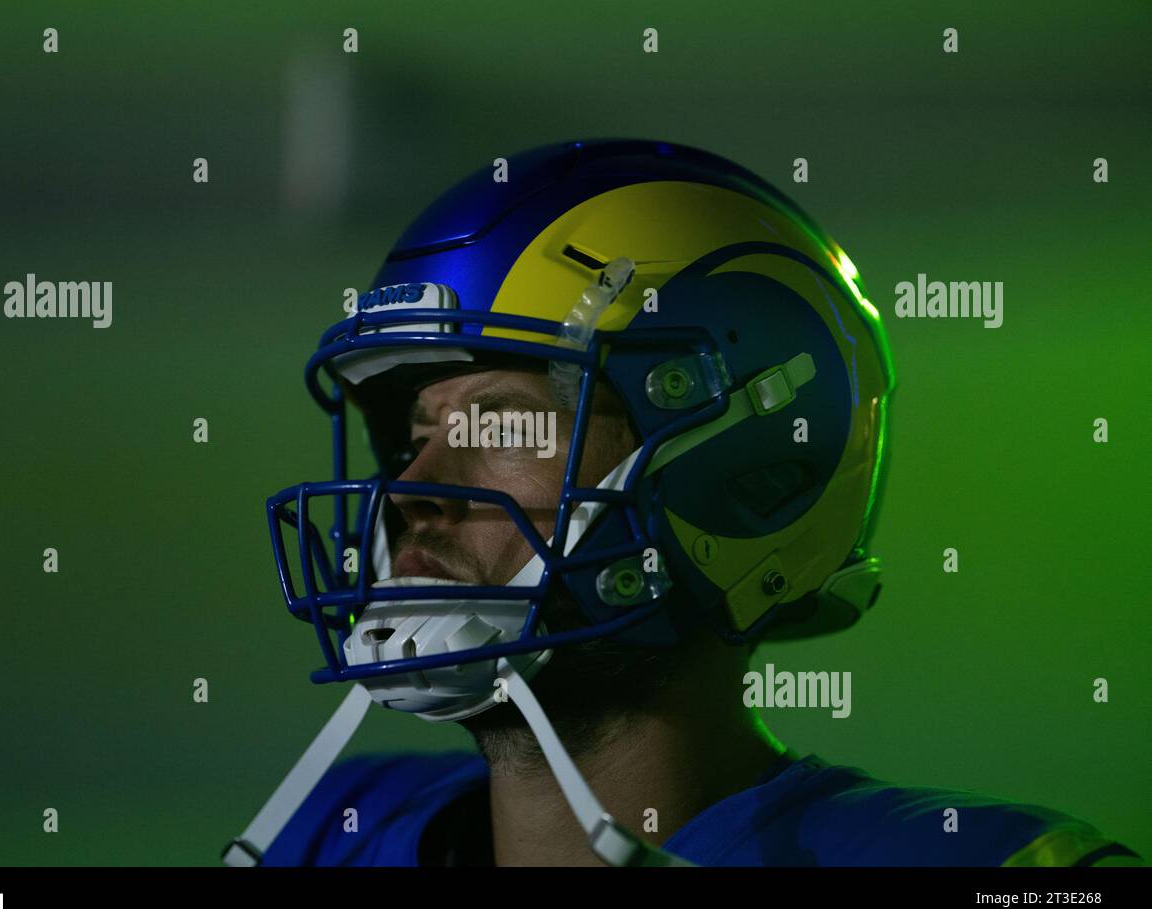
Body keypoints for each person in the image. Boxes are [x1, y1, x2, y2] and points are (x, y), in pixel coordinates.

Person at [225, 139, 1141, 867]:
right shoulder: (328, 833)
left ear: (733, 469)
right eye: (412, 433)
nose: (410, 489)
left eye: (502, 426)